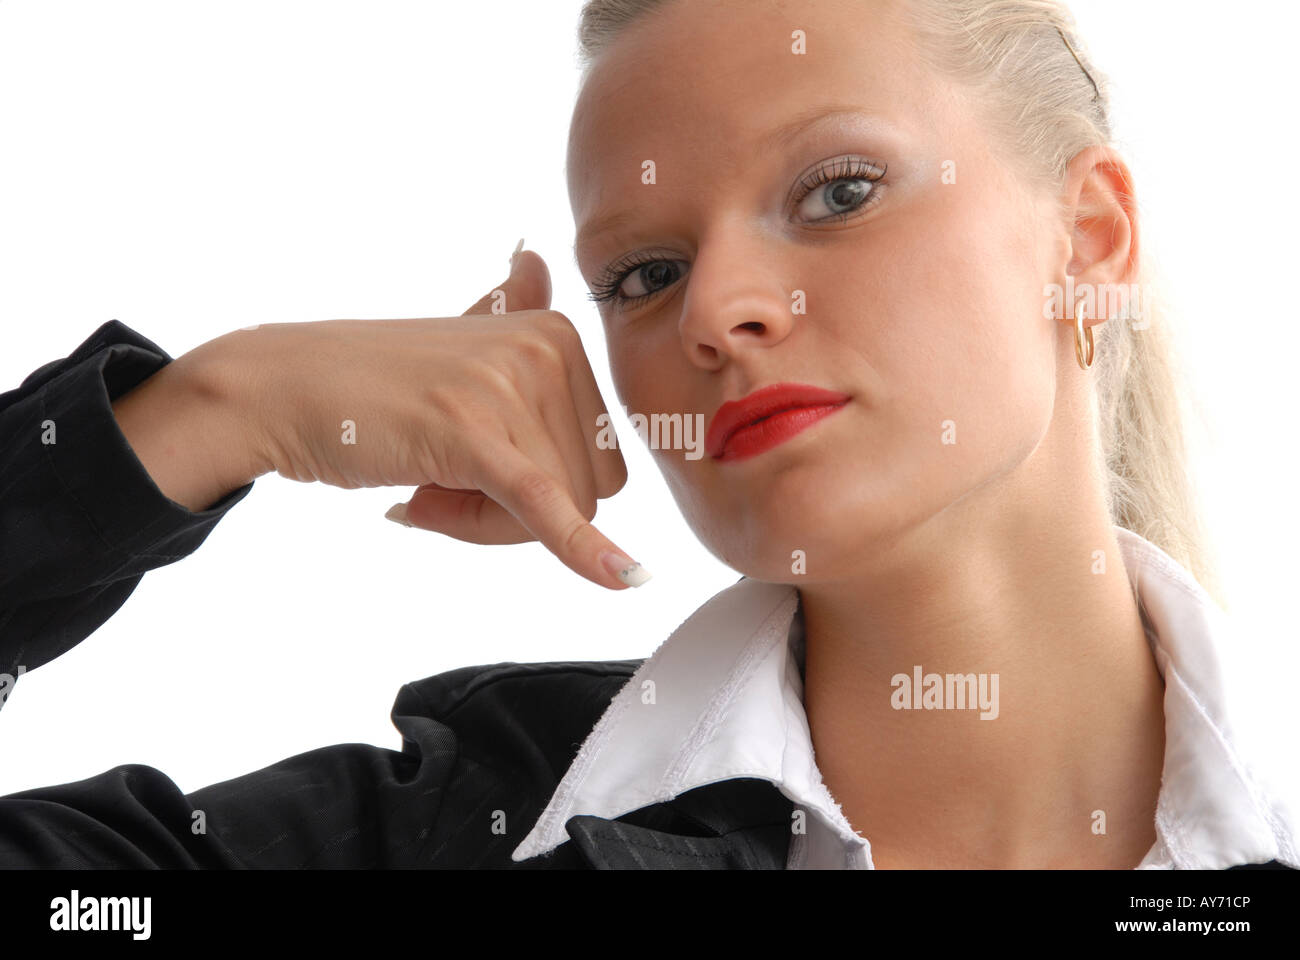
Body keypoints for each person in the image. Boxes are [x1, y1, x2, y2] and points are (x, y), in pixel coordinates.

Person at [1, 0, 1296, 869]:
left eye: (837, 191)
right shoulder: (456, 838)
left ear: (1089, 242)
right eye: (643, 274)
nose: (720, 311)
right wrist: (211, 412)